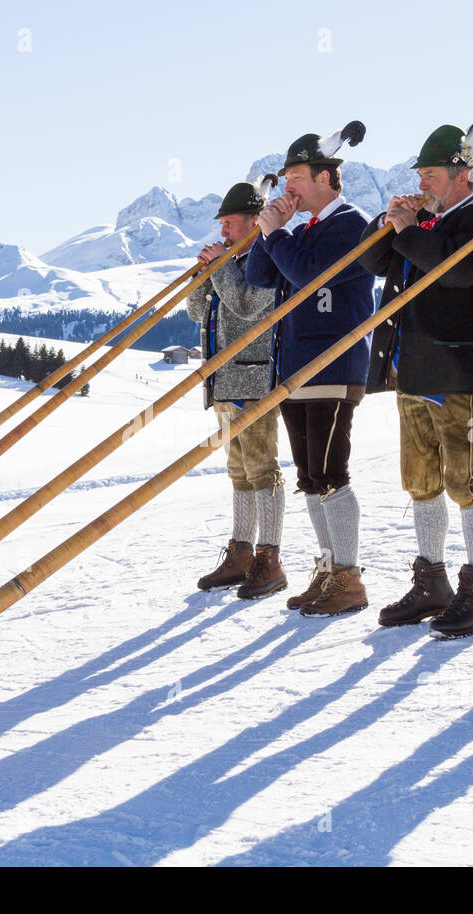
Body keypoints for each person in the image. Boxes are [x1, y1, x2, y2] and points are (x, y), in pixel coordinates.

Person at [358, 123, 473, 638]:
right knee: (420, 480)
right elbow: (376, 261)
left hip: (461, 371)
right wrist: (388, 222)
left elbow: (454, 269)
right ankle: (432, 580)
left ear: (462, 175)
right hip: (415, 370)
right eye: (420, 173)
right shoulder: (424, 221)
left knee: (467, 480)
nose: (424, 182)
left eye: (432, 174)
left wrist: (410, 229)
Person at [245, 129, 376, 616]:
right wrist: (270, 231)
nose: (289, 188)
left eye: (297, 177)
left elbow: (305, 276)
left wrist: (277, 233)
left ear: (326, 177)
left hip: (333, 362)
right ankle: (328, 569)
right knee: (309, 475)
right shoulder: (300, 229)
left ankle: (348, 575)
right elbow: (261, 277)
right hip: (298, 365)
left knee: (330, 473)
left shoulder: (349, 225)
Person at [187, 181, 288, 600]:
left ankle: (271, 556)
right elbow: (197, 311)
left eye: (229, 225)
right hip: (225, 379)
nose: (223, 233)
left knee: (263, 469)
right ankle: (242, 550)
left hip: (255, 378)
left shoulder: (268, 258)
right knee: (237, 470)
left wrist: (222, 270)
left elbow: (247, 305)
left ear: (252, 224)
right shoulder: (229, 262)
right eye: (223, 225)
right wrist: (202, 276)